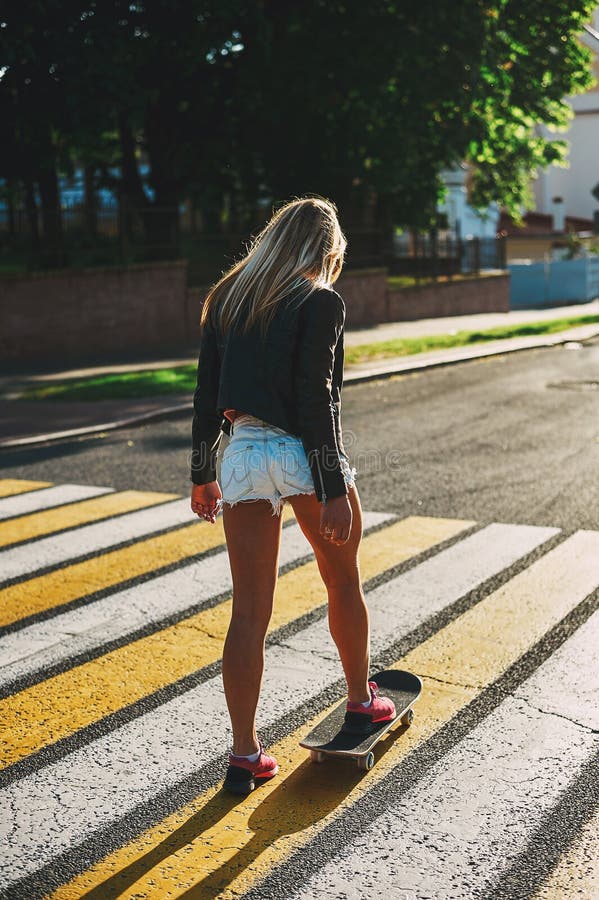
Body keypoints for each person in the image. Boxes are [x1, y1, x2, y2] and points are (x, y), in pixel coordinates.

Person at [190, 196, 396, 794]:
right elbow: (317, 399)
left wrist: (202, 473)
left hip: (244, 456)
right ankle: (361, 700)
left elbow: (206, 394)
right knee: (343, 582)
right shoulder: (320, 300)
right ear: (324, 249)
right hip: (303, 456)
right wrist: (331, 488)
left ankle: (244, 753)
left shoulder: (228, 297)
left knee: (249, 612)